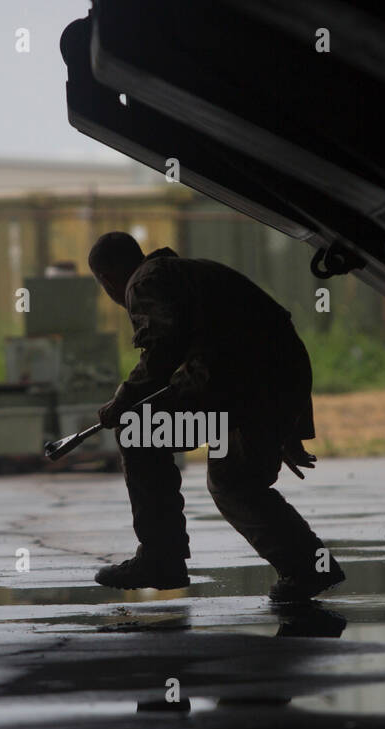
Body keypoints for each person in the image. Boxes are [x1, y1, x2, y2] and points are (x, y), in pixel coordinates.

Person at [87, 231, 344, 602]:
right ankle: (309, 567)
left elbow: (163, 348)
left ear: (107, 280)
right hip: (266, 384)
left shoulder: (145, 282)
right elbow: (274, 339)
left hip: (240, 386)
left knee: (138, 431)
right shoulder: (184, 273)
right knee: (236, 482)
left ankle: (161, 558)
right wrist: (289, 422)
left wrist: (123, 401)